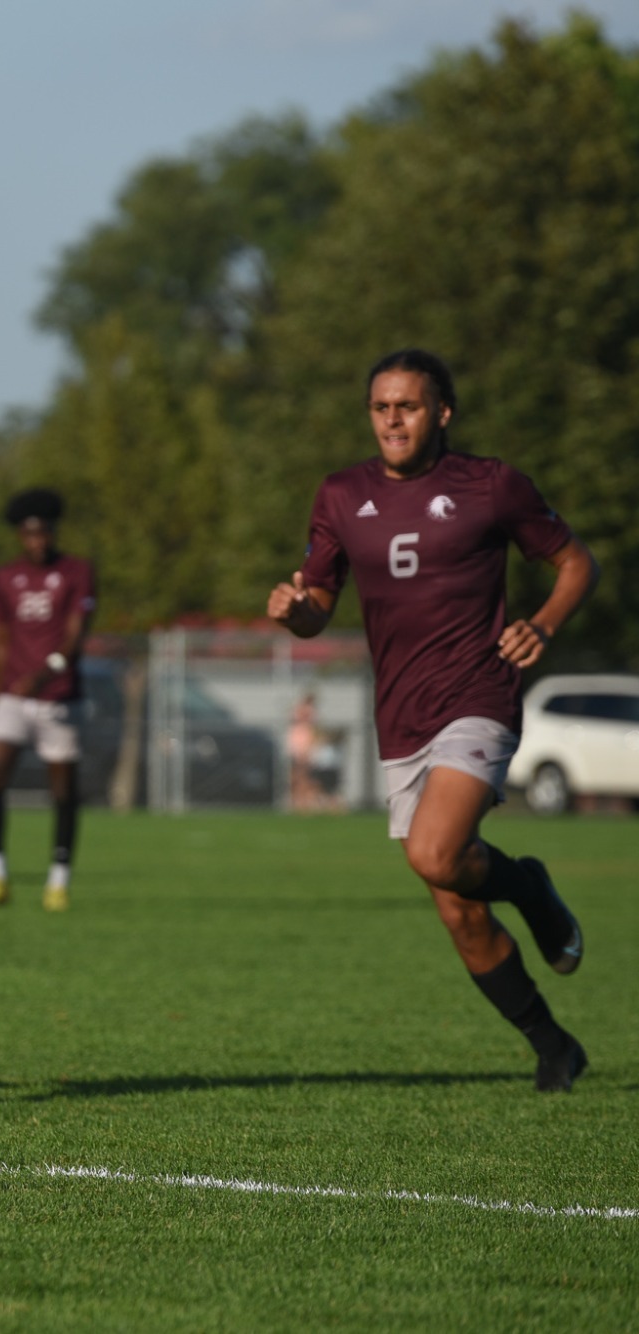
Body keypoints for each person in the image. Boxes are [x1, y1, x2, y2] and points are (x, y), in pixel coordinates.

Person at [268, 348, 597, 1092]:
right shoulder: (341, 495)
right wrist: (294, 614)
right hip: (401, 715)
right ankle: (553, 1045)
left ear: (441, 413)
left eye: (408, 405)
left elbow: (578, 564)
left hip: (479, 695)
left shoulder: (491, 485)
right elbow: (317, 606)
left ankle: (532, 889)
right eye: (381, 406)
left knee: (435, 854)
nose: (392, 419)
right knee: (458, 913)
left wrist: (542, 625)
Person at [0, 488, 96, 913]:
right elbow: (3, 639)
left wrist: (42, 676)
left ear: (53, 533)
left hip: (59, 697)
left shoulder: (77, 572)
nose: (37, 541)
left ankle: (58, 881)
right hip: (13, 696)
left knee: (62, 792)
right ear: (20, 536)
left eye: (44, 533)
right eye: (29, 534)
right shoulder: (6, 577)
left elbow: (75, 639)